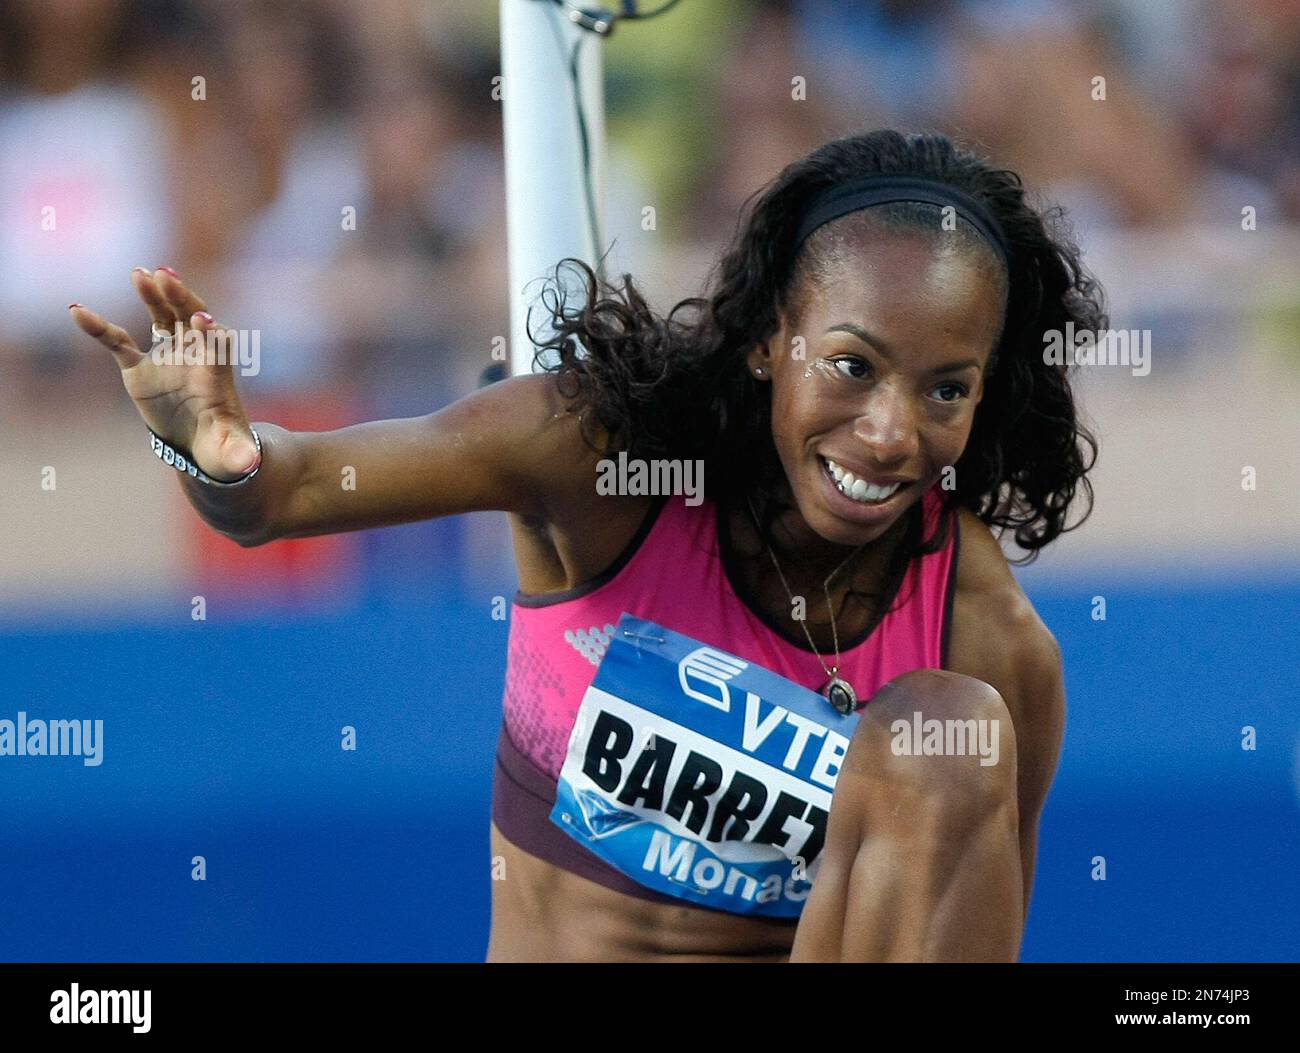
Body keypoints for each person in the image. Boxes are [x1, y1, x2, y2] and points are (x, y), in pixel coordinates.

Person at [69, 129, 1099, 962]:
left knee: (949, 731)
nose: (889, 432)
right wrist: (215, 450)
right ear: (763, 340)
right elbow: (282, 495)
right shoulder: (599, 458)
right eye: (850, 365)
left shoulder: (986, 638)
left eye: (946, 389)